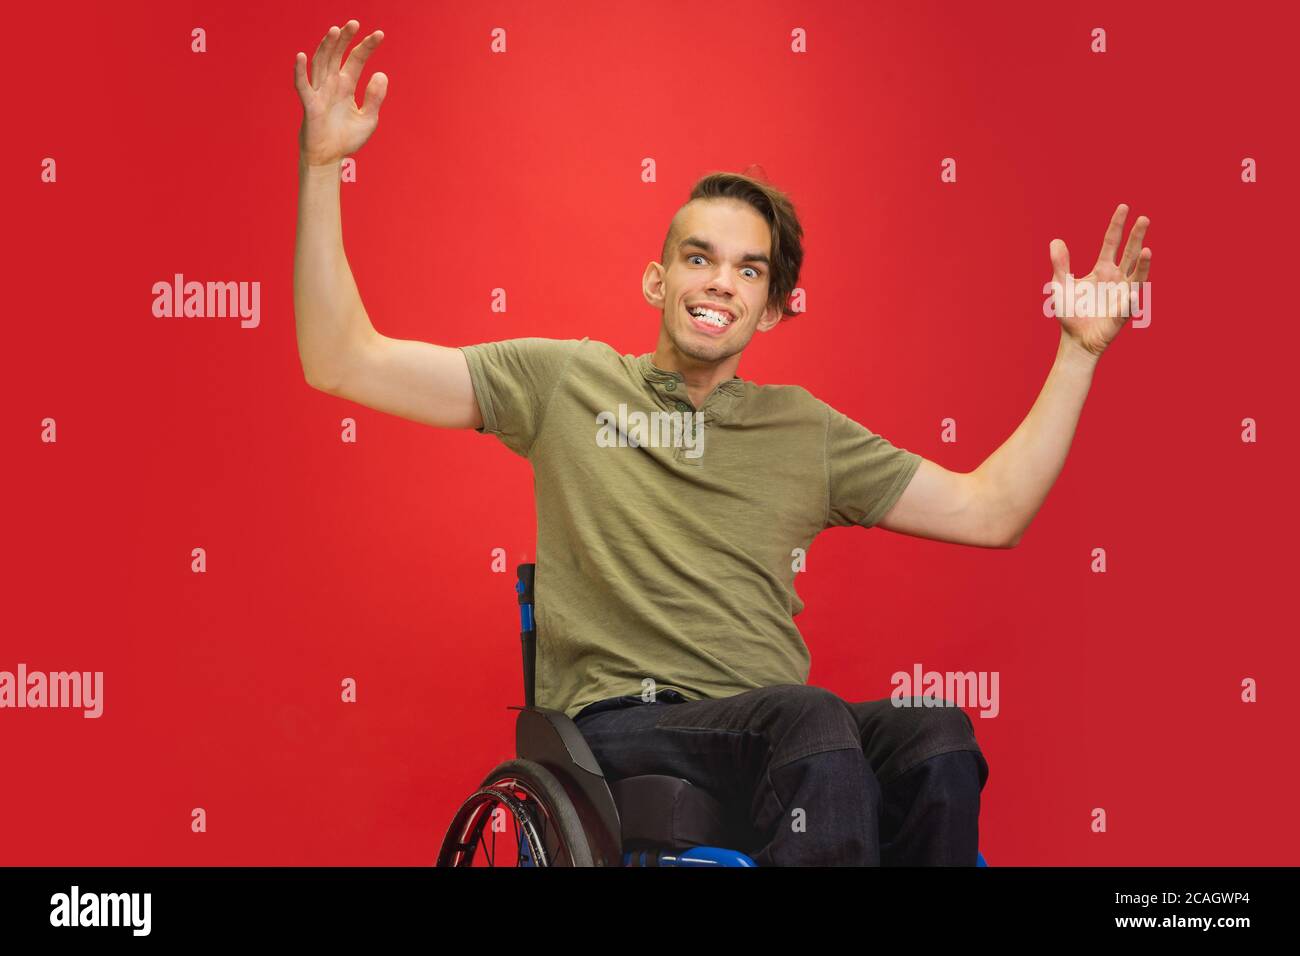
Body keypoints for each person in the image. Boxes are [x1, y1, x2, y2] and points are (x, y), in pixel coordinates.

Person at [293, 20, 1152, 866]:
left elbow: (991, 510)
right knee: (809, 720)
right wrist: (325, 165)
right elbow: (342, 359)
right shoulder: (564, 383)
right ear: (657, 280)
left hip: (773, 730)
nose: (720, 283)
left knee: (938, 735)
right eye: (700, 259)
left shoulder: (803, 430)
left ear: (773, 306)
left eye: (748, 270)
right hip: (626, 727)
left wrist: (1078, 354)